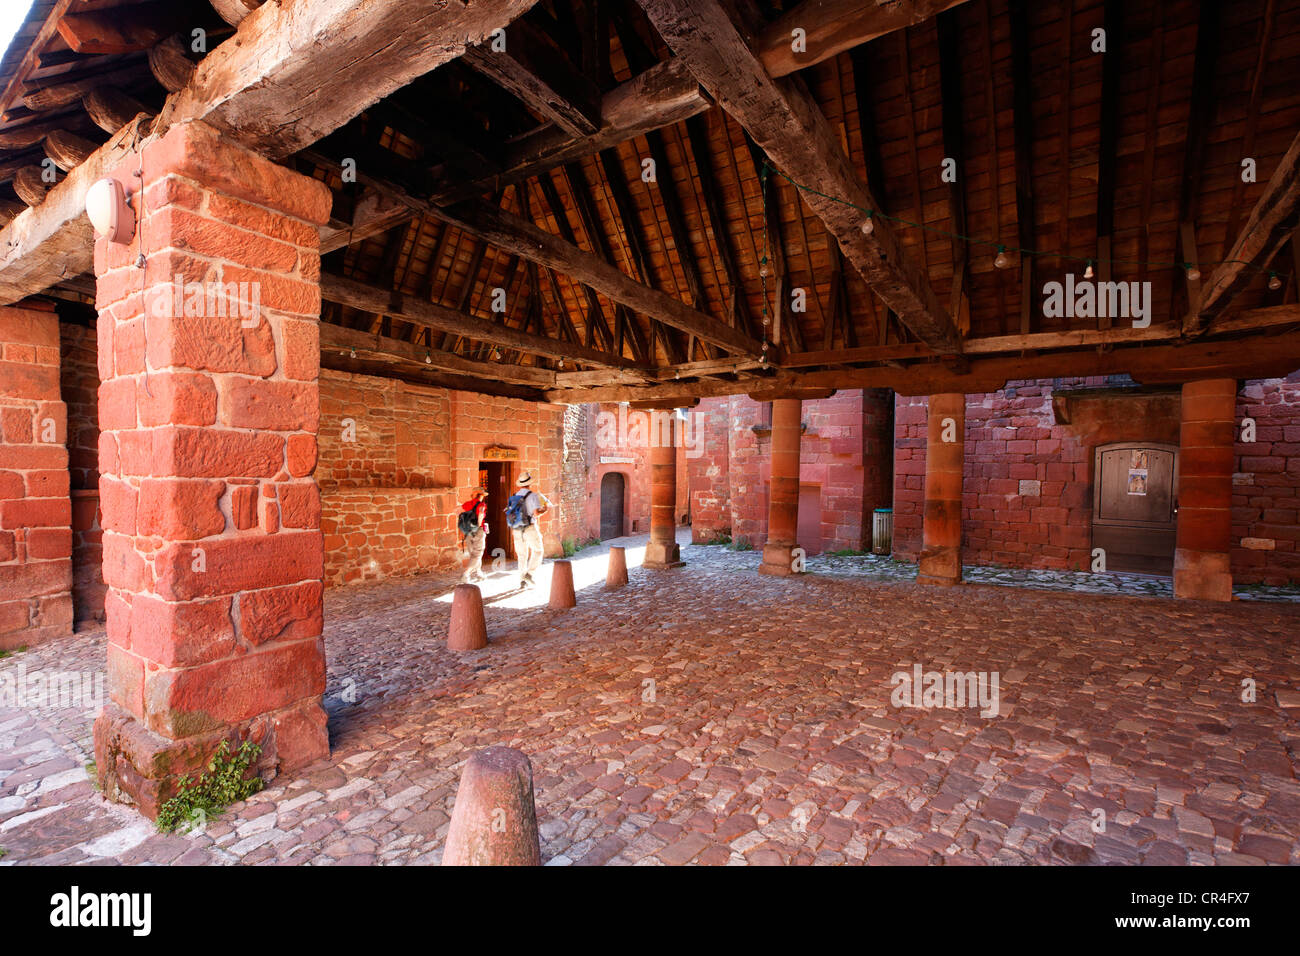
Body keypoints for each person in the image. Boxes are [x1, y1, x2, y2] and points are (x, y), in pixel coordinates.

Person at [505, 472, 549, 589]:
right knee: (538, 550)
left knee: (521, 555)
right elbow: (536, 513)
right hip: (529, 527)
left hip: (517, 529)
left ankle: (522, 580)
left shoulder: (514, 496)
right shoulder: (533, 496)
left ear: (520, 484)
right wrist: (544, 510)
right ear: (529, 483)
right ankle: (530, 574)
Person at [457, 487, 489, 584]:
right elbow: (480, 516)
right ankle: (466, 575)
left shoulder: (468, 504)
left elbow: (457, 510)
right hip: (477, 531)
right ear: (481, 496)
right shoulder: (482, 505)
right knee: (477, 553)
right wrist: (478, 527)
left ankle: (479, 573)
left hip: (468, 531)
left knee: (473, 554)